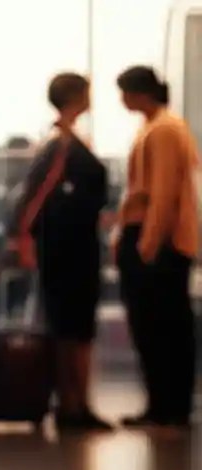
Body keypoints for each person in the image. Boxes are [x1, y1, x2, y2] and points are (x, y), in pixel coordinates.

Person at [9, 73, 113, 430]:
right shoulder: (60, 143)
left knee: (74, 325)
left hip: (73, 245)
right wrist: (23, 239)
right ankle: (72, 403)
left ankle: (76, 401)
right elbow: (35, 194)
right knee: (72, 325)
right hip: (67, 248)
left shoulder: (64, 140)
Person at [114, 66, 198, 428]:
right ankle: (163, 403)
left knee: (158, 326)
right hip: (159, 239)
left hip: (158, 240)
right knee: (162, 325)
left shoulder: (163, 130)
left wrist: (148, 244)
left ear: (139, 93)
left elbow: (162, 193)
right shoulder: (160, 126)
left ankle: (167, 406)